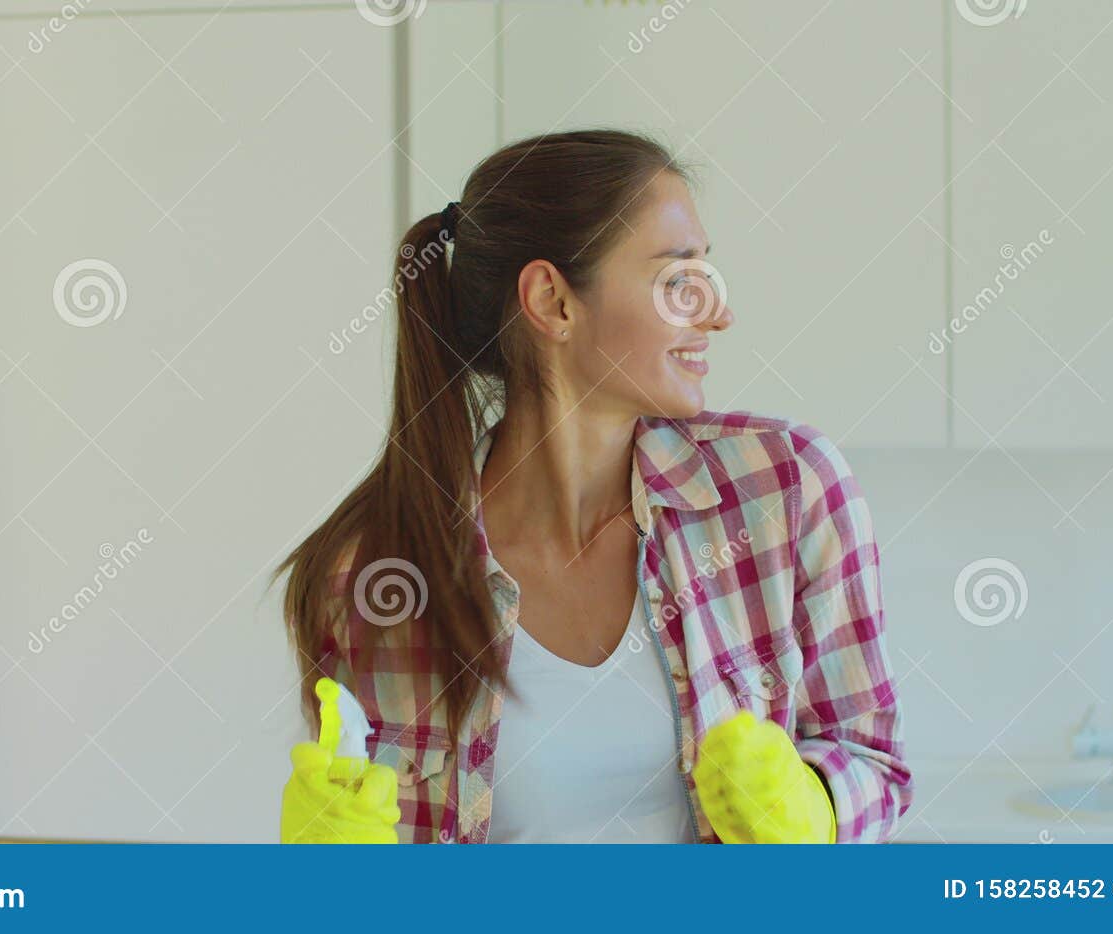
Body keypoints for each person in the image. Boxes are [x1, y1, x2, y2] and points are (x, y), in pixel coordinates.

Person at [277, 128, 911, 844]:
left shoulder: (783, 491)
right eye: (678, 280)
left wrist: (815, 808)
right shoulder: (373, 573)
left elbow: (875, 763)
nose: (718, 312)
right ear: (553, 301)